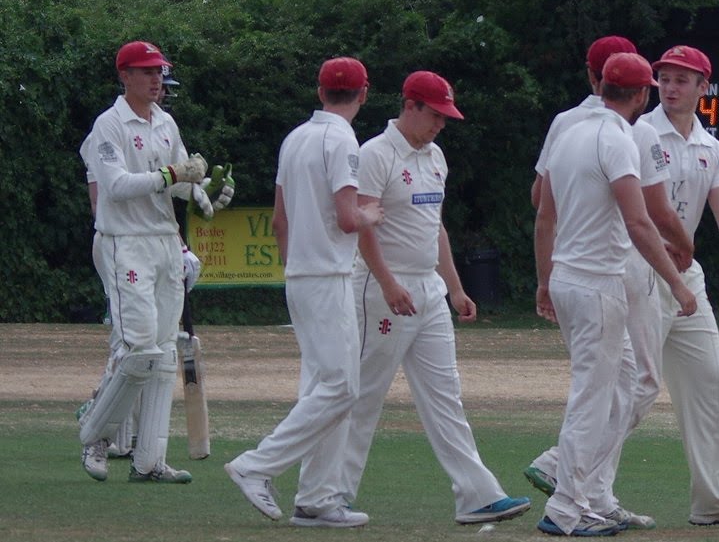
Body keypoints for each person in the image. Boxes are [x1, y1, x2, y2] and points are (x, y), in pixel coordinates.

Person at [338, 70, 531, 525]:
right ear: (411, 106)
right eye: (436, 115)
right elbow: (364, 228)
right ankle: (330, 494)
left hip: (429, 289)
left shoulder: (436, 155)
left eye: (446, 116)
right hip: (381, 289)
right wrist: (388, 283)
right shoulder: (375, 153)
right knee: (364, 394)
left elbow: (435, 227)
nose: (441, 124)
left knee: (446, 396)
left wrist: (456, 288)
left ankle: (477, 495)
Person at [524, 36, 693, 532]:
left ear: (600, 85)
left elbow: (544, 215)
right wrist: (678, 285)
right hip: (598, 285)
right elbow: (640, 222)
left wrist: (544, 280)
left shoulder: (569, 132)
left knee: (624, 385)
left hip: (569, 279)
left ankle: (592, 493)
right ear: (641, 95)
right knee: (592, 398)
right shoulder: (619, 139)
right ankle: (566, 509)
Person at [225, 56, 384, 528]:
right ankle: (256, 465)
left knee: (325, 387)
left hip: (302, 276)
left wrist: (296, 268)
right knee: (341, 388)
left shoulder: (295, 138)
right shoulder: (343, 140)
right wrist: (371, 215)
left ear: (320, 92)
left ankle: (316, 499)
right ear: (363, 93)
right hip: (328, 278)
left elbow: (280, 221)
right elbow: (348, 218)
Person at [78, 41, 211, 485]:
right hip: (125, 242)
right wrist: (174, 175)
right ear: (125, 76)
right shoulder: (109, 125)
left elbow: (179, 181)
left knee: (164, 355)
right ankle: (95, 435)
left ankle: (150, 461)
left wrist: (203, 191)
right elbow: (116, 186)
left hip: (164, 243)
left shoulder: (166, 122)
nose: (157, 79)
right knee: (139, 350)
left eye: (160, 71)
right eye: (148, 71)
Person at [639, 45, 719, 527]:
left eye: (681, 80)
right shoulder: (640, 133)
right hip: (641, 271)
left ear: (704, 87)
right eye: (664, 79)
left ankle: (713, 500)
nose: (670, 87)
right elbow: (646, 213)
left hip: (686, 275)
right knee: (635, 384)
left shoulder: (713, 149)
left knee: (710, 383)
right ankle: (562, 468)